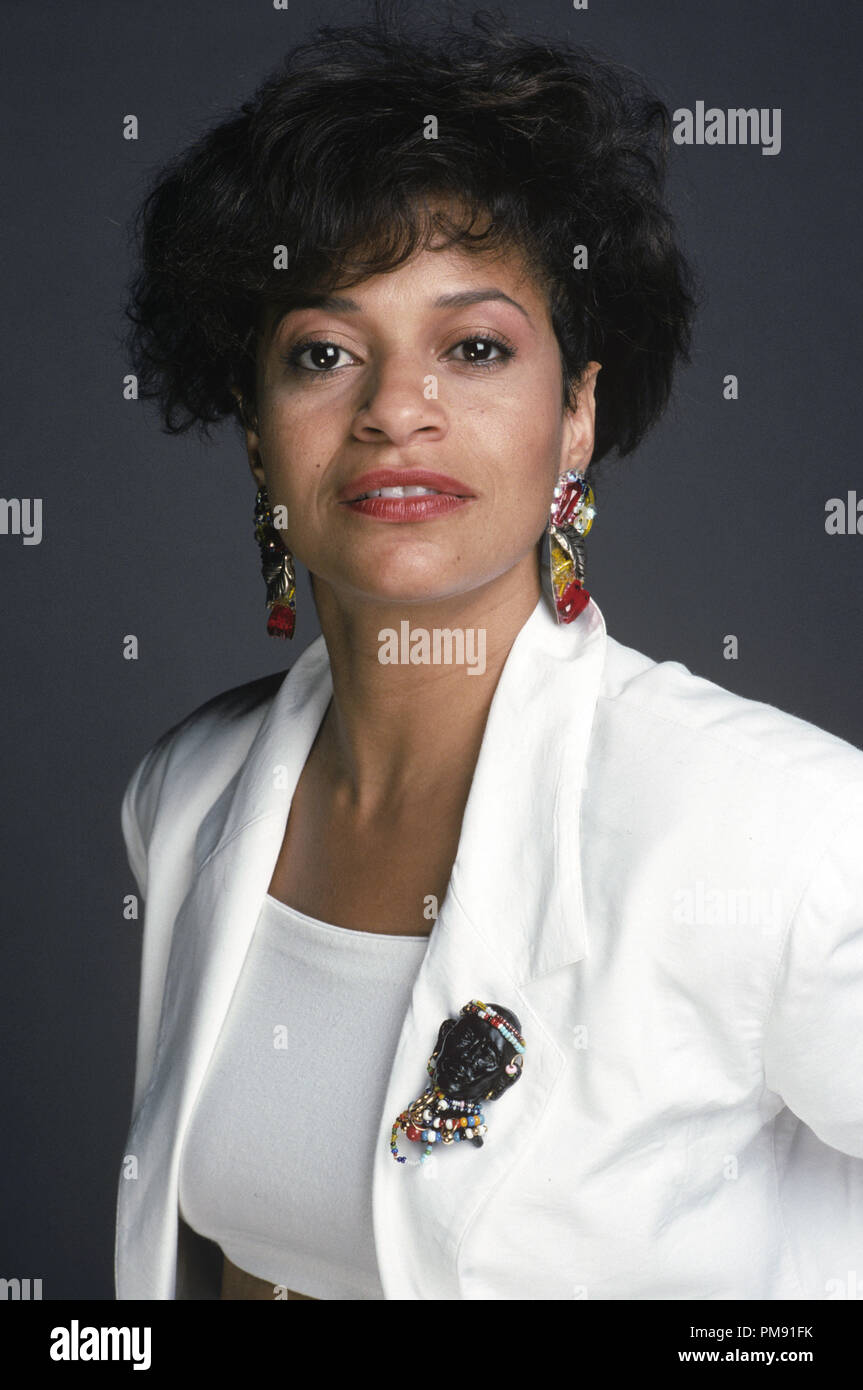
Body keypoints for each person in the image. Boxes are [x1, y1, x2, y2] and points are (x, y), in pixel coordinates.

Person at [115, 10, 863, 1301]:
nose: (398, 408)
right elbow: (271, 1248)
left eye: (475, 347)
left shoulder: (776, 830)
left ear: (576, 411)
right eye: (324, 352)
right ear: (254, 430)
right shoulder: (190, 794)